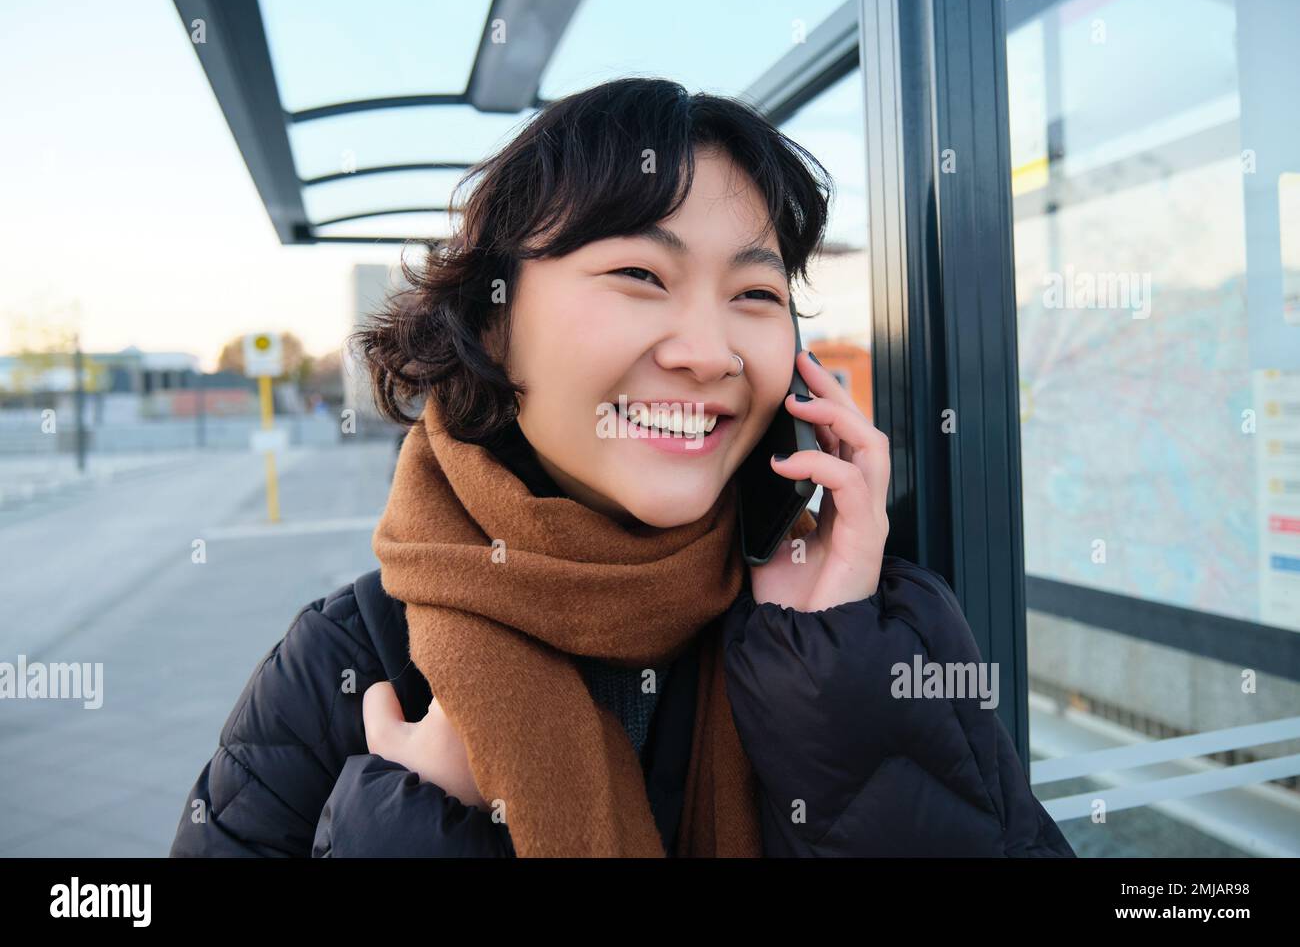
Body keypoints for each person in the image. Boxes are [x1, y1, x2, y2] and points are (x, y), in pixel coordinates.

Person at [169, 77, 1074, 858]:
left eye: (756, 294)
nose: (709, 350)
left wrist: (838, 678)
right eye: (642, 275)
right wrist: (409, 828)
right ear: (492, 319)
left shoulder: (866, 628)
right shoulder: (349, 662)